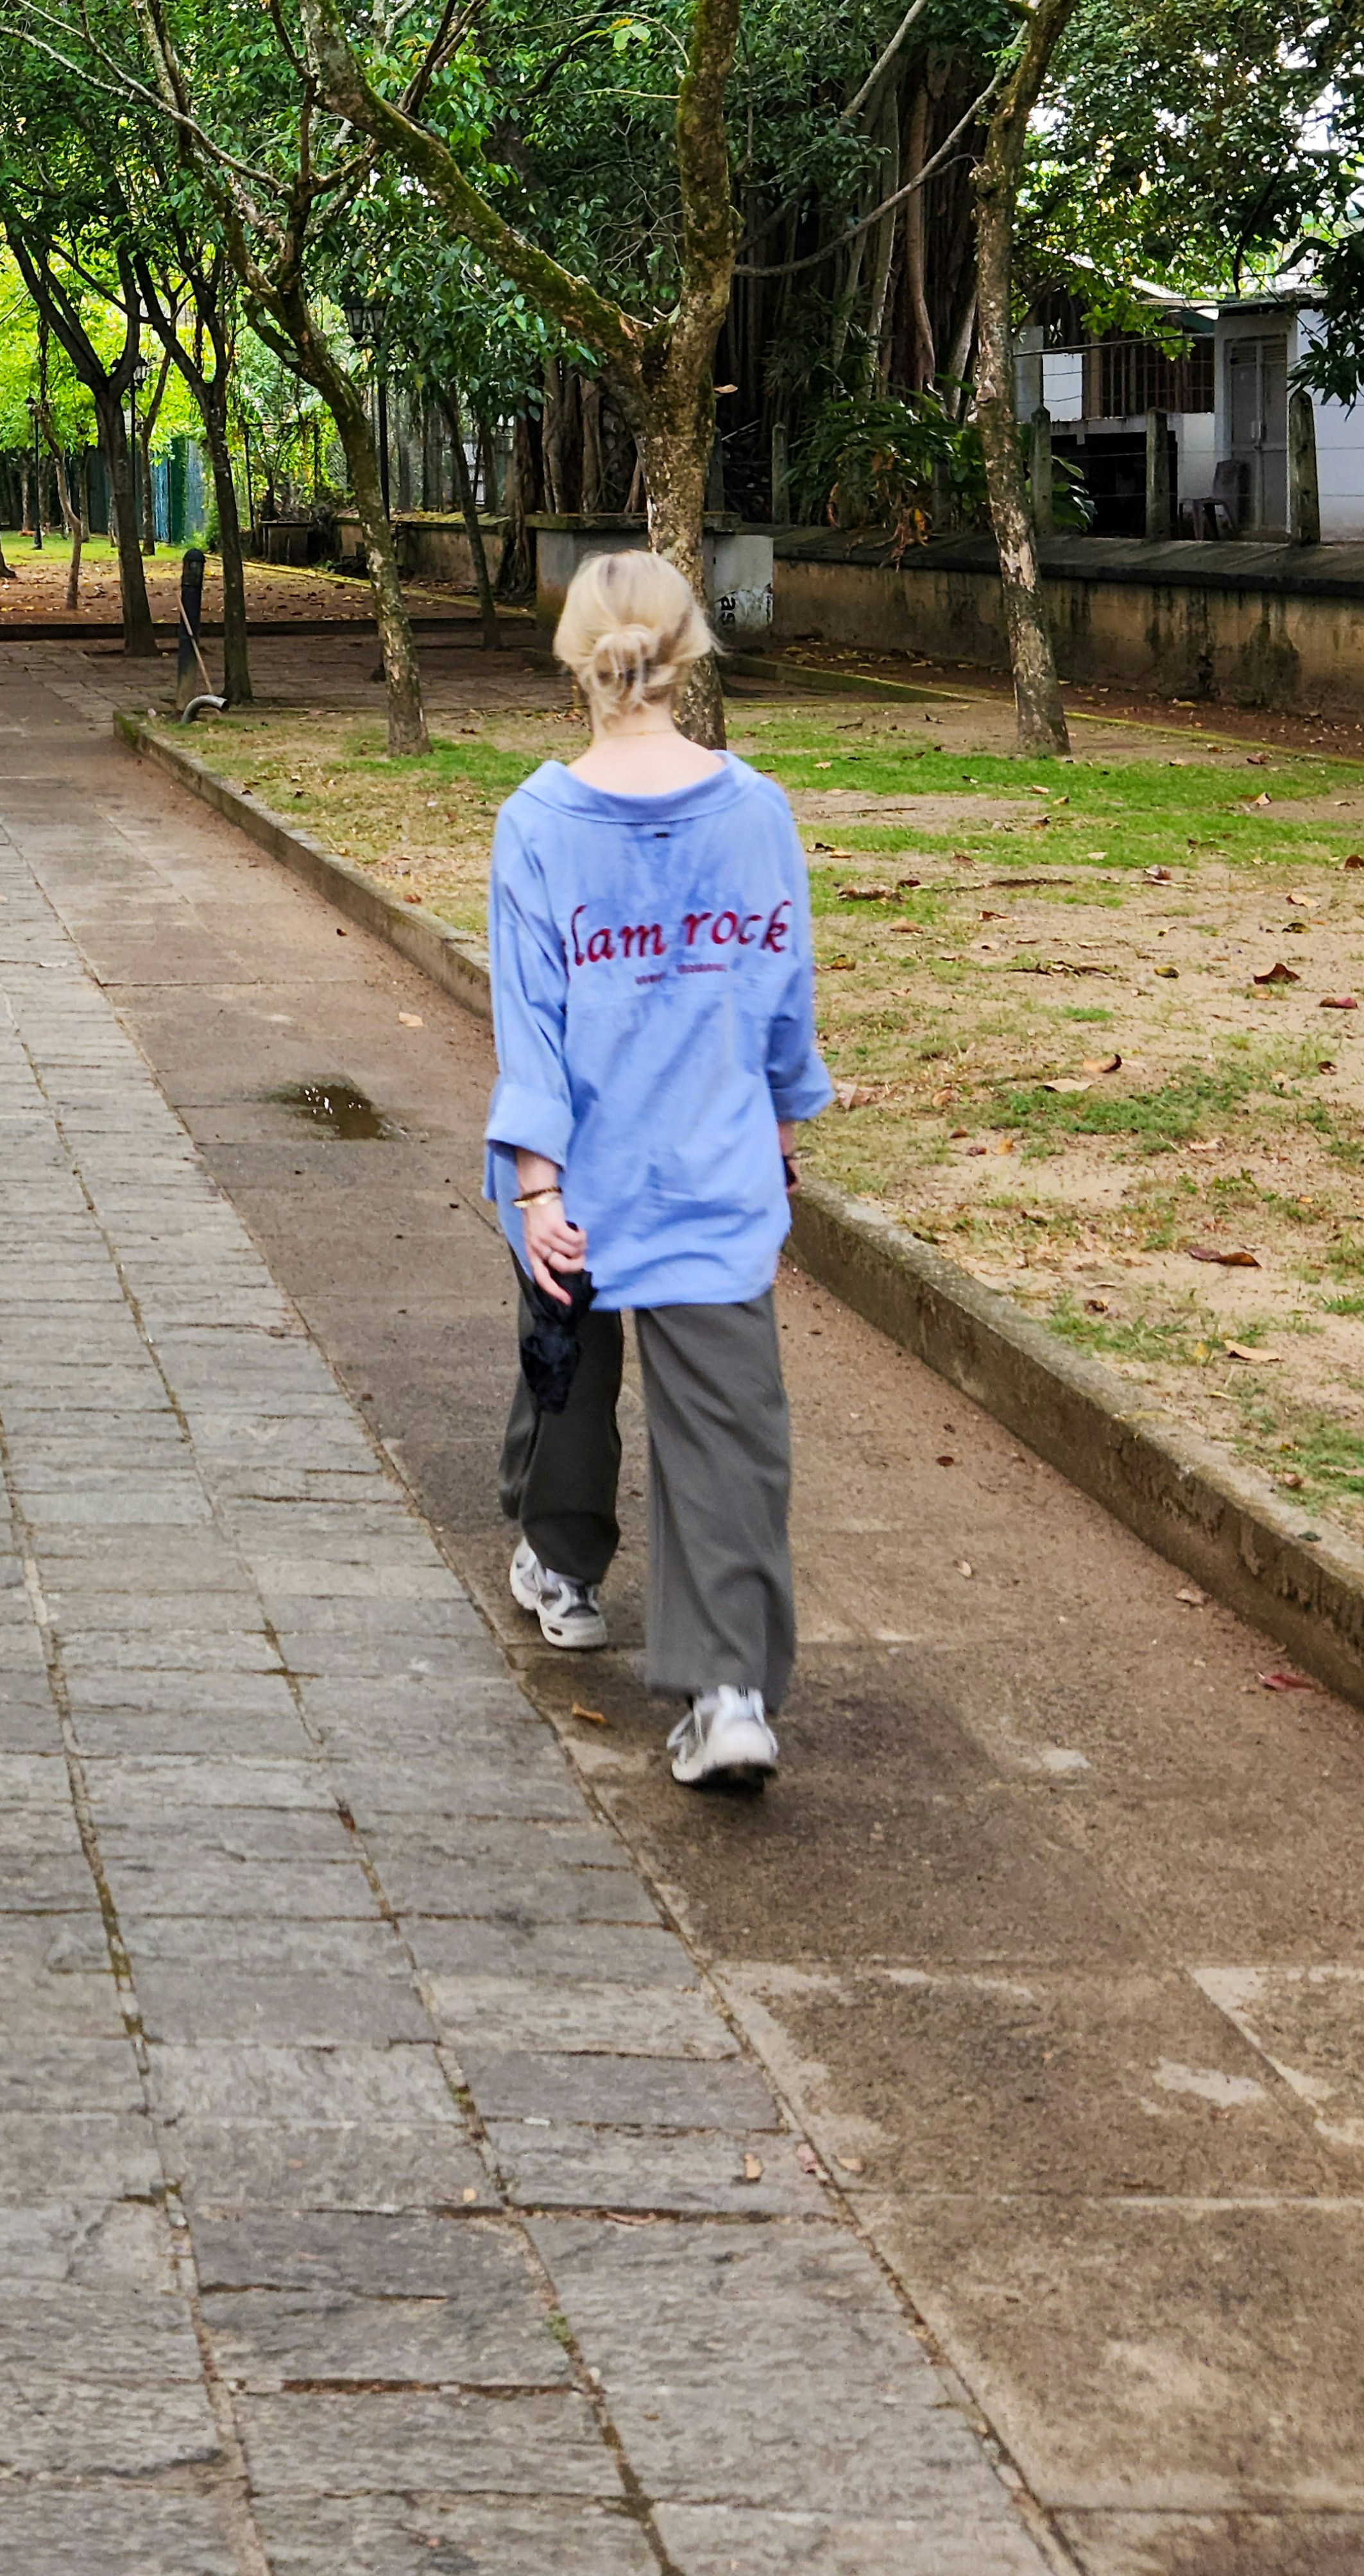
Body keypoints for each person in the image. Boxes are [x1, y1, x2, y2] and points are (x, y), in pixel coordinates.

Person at [483, 547, 827, 1794]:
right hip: (718, 1170)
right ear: (691, 654)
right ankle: (728, 1689)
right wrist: (783, 1139)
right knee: (729, 1432)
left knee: (566, 1376)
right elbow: (781, 1000)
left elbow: (531, 1029)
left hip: (582, 1172)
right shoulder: (757, 811)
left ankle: (562, 1574)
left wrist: (534, 1190)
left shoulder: (538, 825)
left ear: (576, 655)